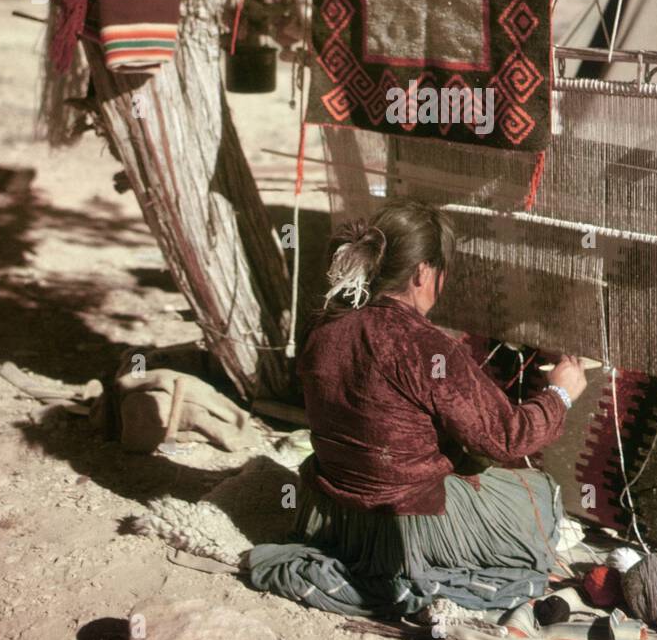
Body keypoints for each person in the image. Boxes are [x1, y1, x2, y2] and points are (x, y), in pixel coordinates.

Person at [248, 199, 589, 614]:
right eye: (441, 273)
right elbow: (506, 438)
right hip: (403, 527)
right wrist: (560, 393)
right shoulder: (421, 344)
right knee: (540, 496)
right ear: (423, 272)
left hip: (330, 514)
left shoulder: (323, 326)